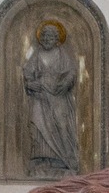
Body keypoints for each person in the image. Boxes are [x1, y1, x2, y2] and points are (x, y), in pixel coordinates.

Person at [21, 20, 83, 177]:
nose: (47, 39)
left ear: (57, 39)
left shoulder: (63, 55)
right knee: (38, 128)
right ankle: (42, 160)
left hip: (58, 97)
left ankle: (64, 161)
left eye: (50, 36)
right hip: (40, 98)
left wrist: (65, 83)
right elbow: (27, 74)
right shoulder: (37, 55)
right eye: (44, 36)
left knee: (61, 126)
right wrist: (31, 84)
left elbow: (71, 73)